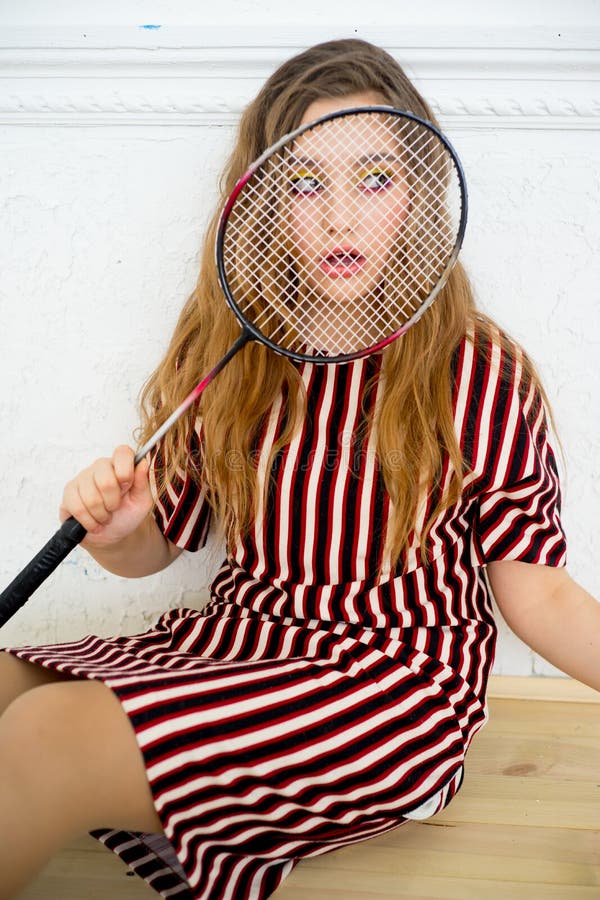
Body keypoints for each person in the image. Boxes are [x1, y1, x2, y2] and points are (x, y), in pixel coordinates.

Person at [0, 38, 598, 900]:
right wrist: (118, 534)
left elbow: (537, 594)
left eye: (376, 180)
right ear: (263, 205)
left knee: (45, 738)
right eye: (307, 184)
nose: (342, 218)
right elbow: (158, 548)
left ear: (421, 197)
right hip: (237, 645)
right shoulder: (237, 355)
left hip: (393, 690)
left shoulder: (476, 371)